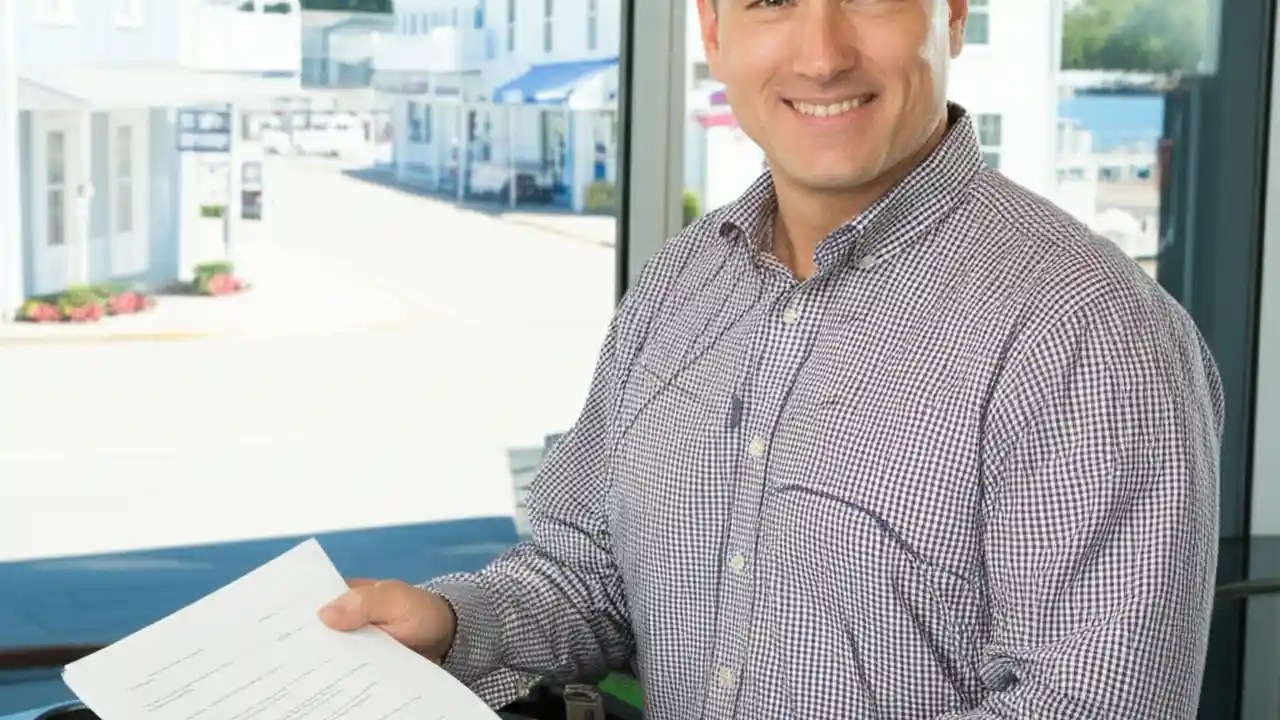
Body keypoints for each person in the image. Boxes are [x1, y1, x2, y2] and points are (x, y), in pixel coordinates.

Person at [319, 0, 1225, 716]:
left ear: (951, 14)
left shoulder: (1089, 332)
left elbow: (1089, 703)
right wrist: (451, 626)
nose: (821, 56)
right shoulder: (682, 280)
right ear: (715, 32)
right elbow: (588, 572)